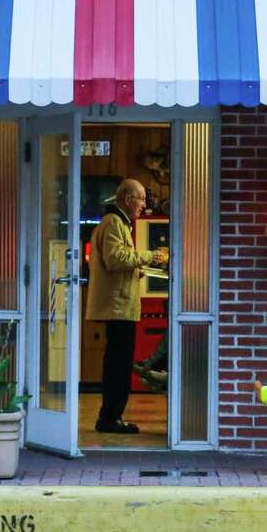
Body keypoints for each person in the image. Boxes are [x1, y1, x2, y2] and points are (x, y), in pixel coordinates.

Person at [86, 179, 168, 434]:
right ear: (128, 199)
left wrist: (136, 271)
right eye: (141, 199)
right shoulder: (113, 222)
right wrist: (152, 255)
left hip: (120, 305)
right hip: (118, 307)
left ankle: (112, 417)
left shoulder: (118, 222)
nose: (144, 204)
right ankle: (110, 419)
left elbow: (118, 263)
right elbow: (116, 258)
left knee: (118, 363)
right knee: (118, 365)